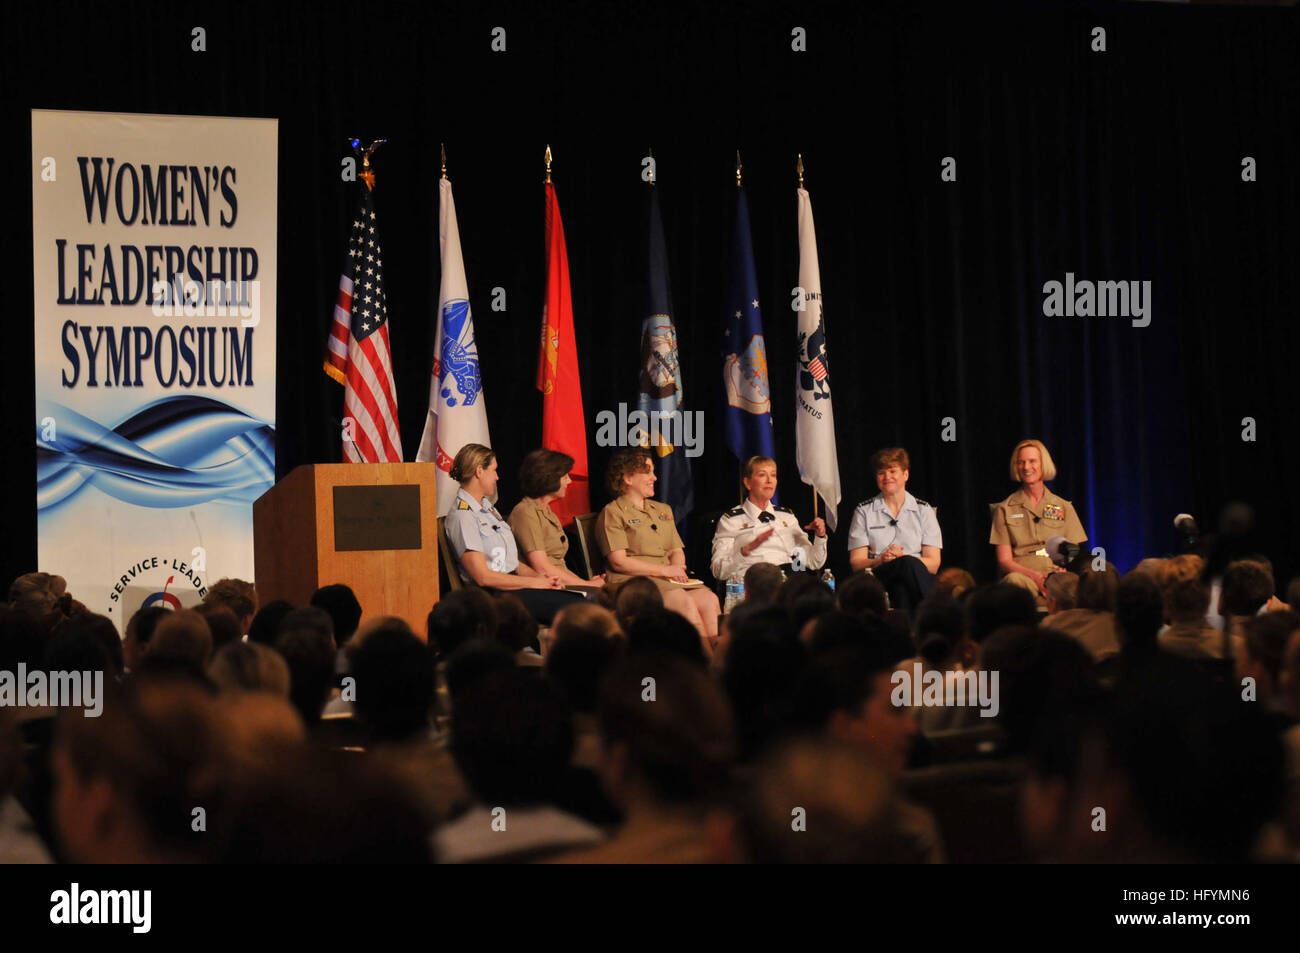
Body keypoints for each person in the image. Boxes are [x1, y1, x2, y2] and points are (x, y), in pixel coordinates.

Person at [595, 448, 722, 652]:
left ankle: (718, 656)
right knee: (684, 602)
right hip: (633, 582)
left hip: (667, 580)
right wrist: (665, 571)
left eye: (654, 471)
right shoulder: (613, 513)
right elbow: (619, 562)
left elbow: (675, 549)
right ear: (627, 477)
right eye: (647, 472)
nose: (654, 477)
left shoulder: (662, 510)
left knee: (709, 599)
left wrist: (677, 567)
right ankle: (704, 666)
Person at [443, 443, 584, 624]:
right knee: (576, 609)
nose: (497, 476)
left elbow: (512, 563)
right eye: (494, 470)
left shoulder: (487, 508)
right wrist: (533, 583)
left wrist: (541, 579)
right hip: (492, 596)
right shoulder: (463, 516)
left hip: (513, 587)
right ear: (479, 471)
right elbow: (483, 577)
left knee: (578, 600)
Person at [989, 439, 1087, 599]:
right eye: (1021, 462)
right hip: (1023, 576)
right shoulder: (1004, 508)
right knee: (1013, 582)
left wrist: (1059, 570)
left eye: (1032, 461)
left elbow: (1072, 551)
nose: (1026, 467)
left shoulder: (1063, 506)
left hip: (1056, 574)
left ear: (1043, 464)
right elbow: (1004, 560)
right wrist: (1035, 576)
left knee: (1077, 582)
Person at [847, 447, 942, 613]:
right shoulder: (863, 511)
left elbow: (934, 563)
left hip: (915, 576)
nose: (887, 477)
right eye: (881, 473)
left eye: (892, 471)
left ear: (905, 475)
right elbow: (856, 563)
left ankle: (906, 634)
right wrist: (881, 560)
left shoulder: (924, 510)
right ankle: (934, 615)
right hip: (879, 576)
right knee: (905, 565)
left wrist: (904, 559)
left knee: (902, 585)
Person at [710, 456, 827, 581]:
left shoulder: (787, 517)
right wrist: (745, 551)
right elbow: (719, 571)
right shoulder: (731, 520)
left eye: (773, 475)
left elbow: (813, 562)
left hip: (786, 582)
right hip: (754, 584)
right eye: (762, 475)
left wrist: (820, 536)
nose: (769, 480)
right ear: (748, 483)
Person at [508, 448, 604, 588]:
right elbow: (542, 568)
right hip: (543, 588)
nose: (569, 481)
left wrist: (587, 584)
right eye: (565, 477)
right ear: (549, 478)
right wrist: (587, 585)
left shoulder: (547, 511)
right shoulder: (525, 512)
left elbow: (559, 565)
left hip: (560, 584)